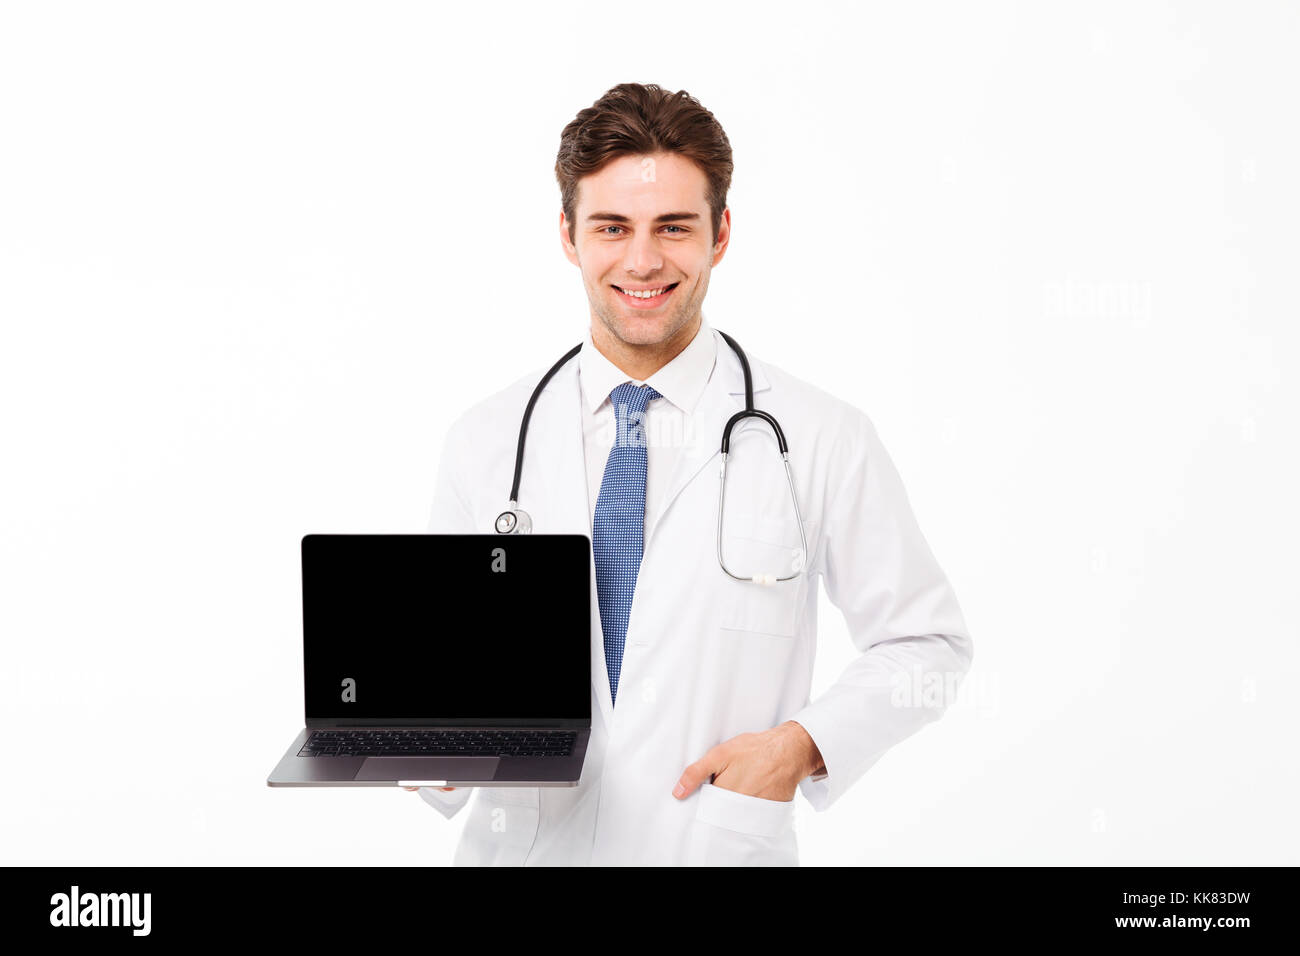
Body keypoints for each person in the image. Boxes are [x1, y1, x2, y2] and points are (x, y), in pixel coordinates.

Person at [404, 82, 973, 866]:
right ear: (568, 235)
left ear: (721, 233)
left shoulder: (819, 436)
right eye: (613, 227)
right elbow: (454, 672)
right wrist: (424, 739)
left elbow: (929, 645)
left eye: (674, 227)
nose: (643, 261)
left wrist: (800, 745)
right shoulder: (486, 442)